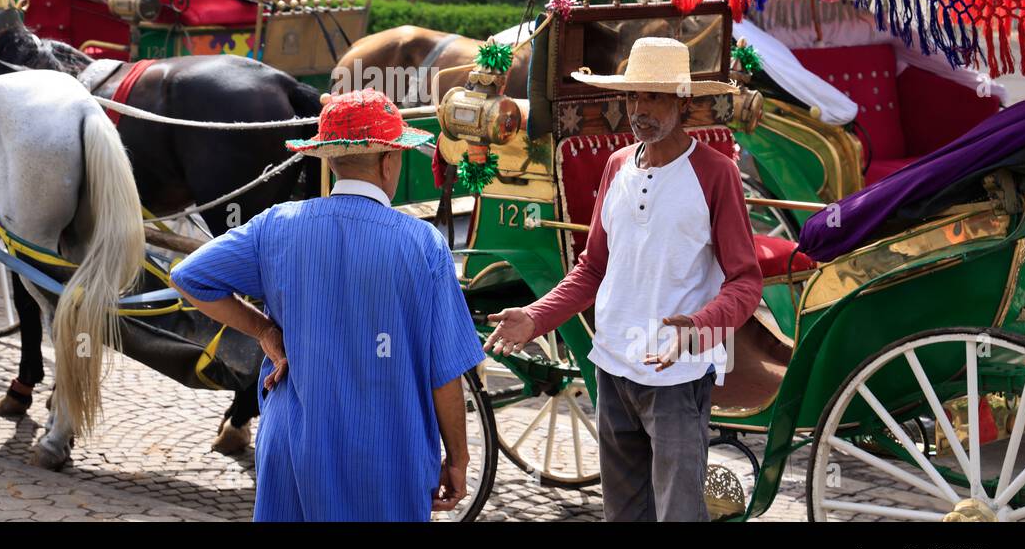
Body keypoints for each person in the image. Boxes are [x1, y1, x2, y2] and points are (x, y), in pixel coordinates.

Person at [169, 88, 485, 521]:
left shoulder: (276, 225)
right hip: (389, 455)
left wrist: (264, 330)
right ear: (388, 160)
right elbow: (445, 372)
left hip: (295, 448)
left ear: (330, 160)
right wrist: (459, 459)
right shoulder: (422, 244)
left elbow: (189, 277)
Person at [485, 37, 763, 522]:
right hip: (612, 366)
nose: (640, 108)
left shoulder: (716, 174)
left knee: (679, 513)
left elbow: (745, 282)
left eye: (654, 96)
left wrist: (698, 328)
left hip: (677, 374)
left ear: (683, 102)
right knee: (623, 513)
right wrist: (535, 317)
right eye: (634, 96)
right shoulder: (617, 166)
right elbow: (592, 268)